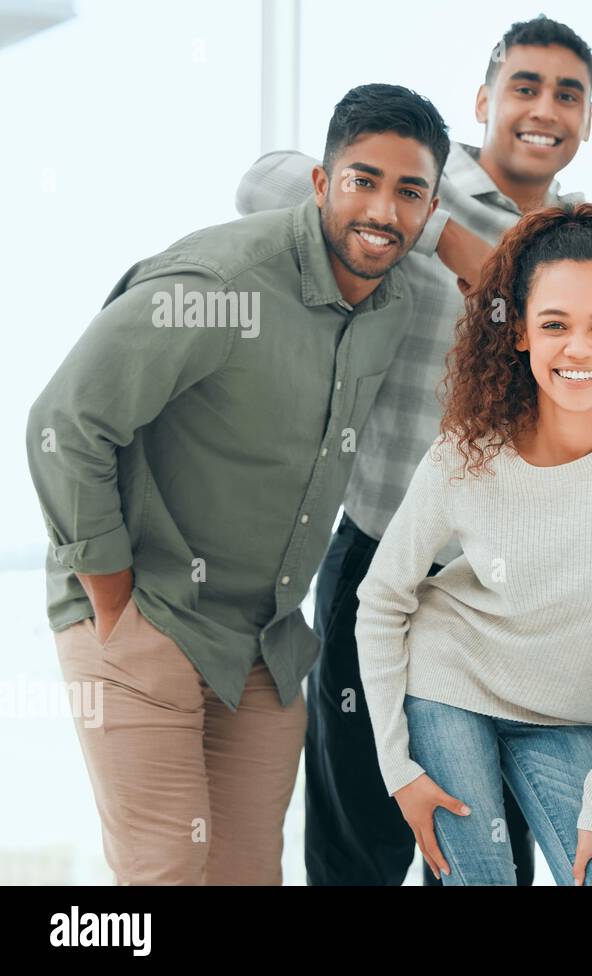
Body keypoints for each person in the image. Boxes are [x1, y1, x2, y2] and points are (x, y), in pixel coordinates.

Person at [236, 16, 592, 886]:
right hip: (382, 558)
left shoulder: (576, 240)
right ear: (484, 101)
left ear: (588, 120)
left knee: (483, 855)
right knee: (358, 832)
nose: (544, 108)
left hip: (507, 586)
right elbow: (262, 181)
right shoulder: (410, 197)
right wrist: (443, 231)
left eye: (568, 94)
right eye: (524, 86)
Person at [26, 83, 449, 884]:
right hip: (148, 613)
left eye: (409, 192)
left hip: (264, 639)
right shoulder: (224, 285)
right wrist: (115, 605)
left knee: (248, 873)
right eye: (363, 180)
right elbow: (65, 423)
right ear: (322, 183)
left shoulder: (393, 303)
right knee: (166, 870)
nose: (384, 210)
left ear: (431, 211)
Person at [354, 203, 592, 885]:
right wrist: (397, 769)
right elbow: (382, 598)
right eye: (554, 325)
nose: (578, 349)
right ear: (519, 333)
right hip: (447, 683)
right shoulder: (468, 450)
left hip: (565, 715)